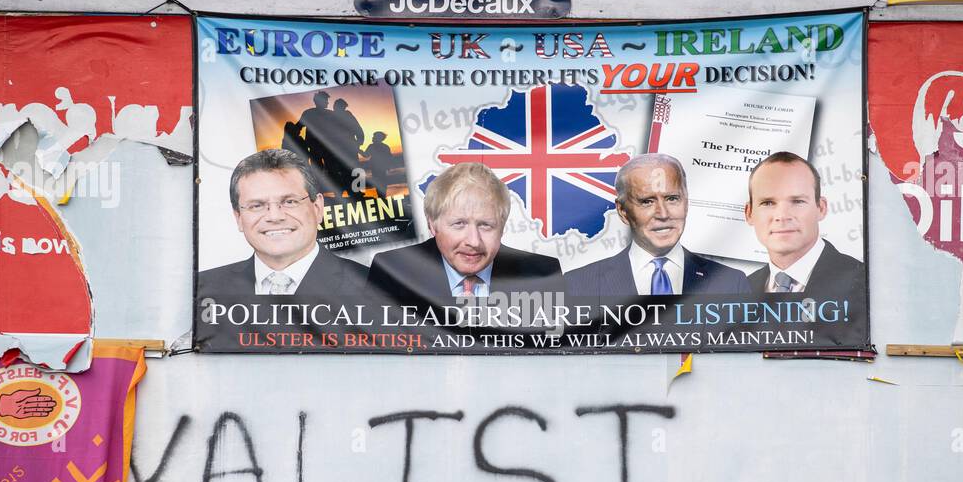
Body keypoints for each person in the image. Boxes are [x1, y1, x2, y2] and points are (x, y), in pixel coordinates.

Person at [367, 161, 562, 308]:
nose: (473, 241)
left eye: (486, 225)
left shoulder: (542, 275)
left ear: (502, 227)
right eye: (459, 224)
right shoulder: (392, 271)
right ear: (432, 224)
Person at [565, 152, 749, 297]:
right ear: (623, 211)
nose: (663, 213)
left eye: (672, 199)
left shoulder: (732, 283)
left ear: (686, 202)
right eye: (647, 201)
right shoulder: (578, 285)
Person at [197, 149, 368, 304]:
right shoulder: (204, 289)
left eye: (289, 201)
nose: (275, 216)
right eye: (256, 205)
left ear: (317, 208)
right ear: (239, 218)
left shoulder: (372, 287)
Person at [744, 151, 865, 297]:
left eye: (797, 201)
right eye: (768, 203)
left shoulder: (864, 283)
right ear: (749, 213)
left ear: (821, 208)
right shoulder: (740, 290)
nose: (782, 216)